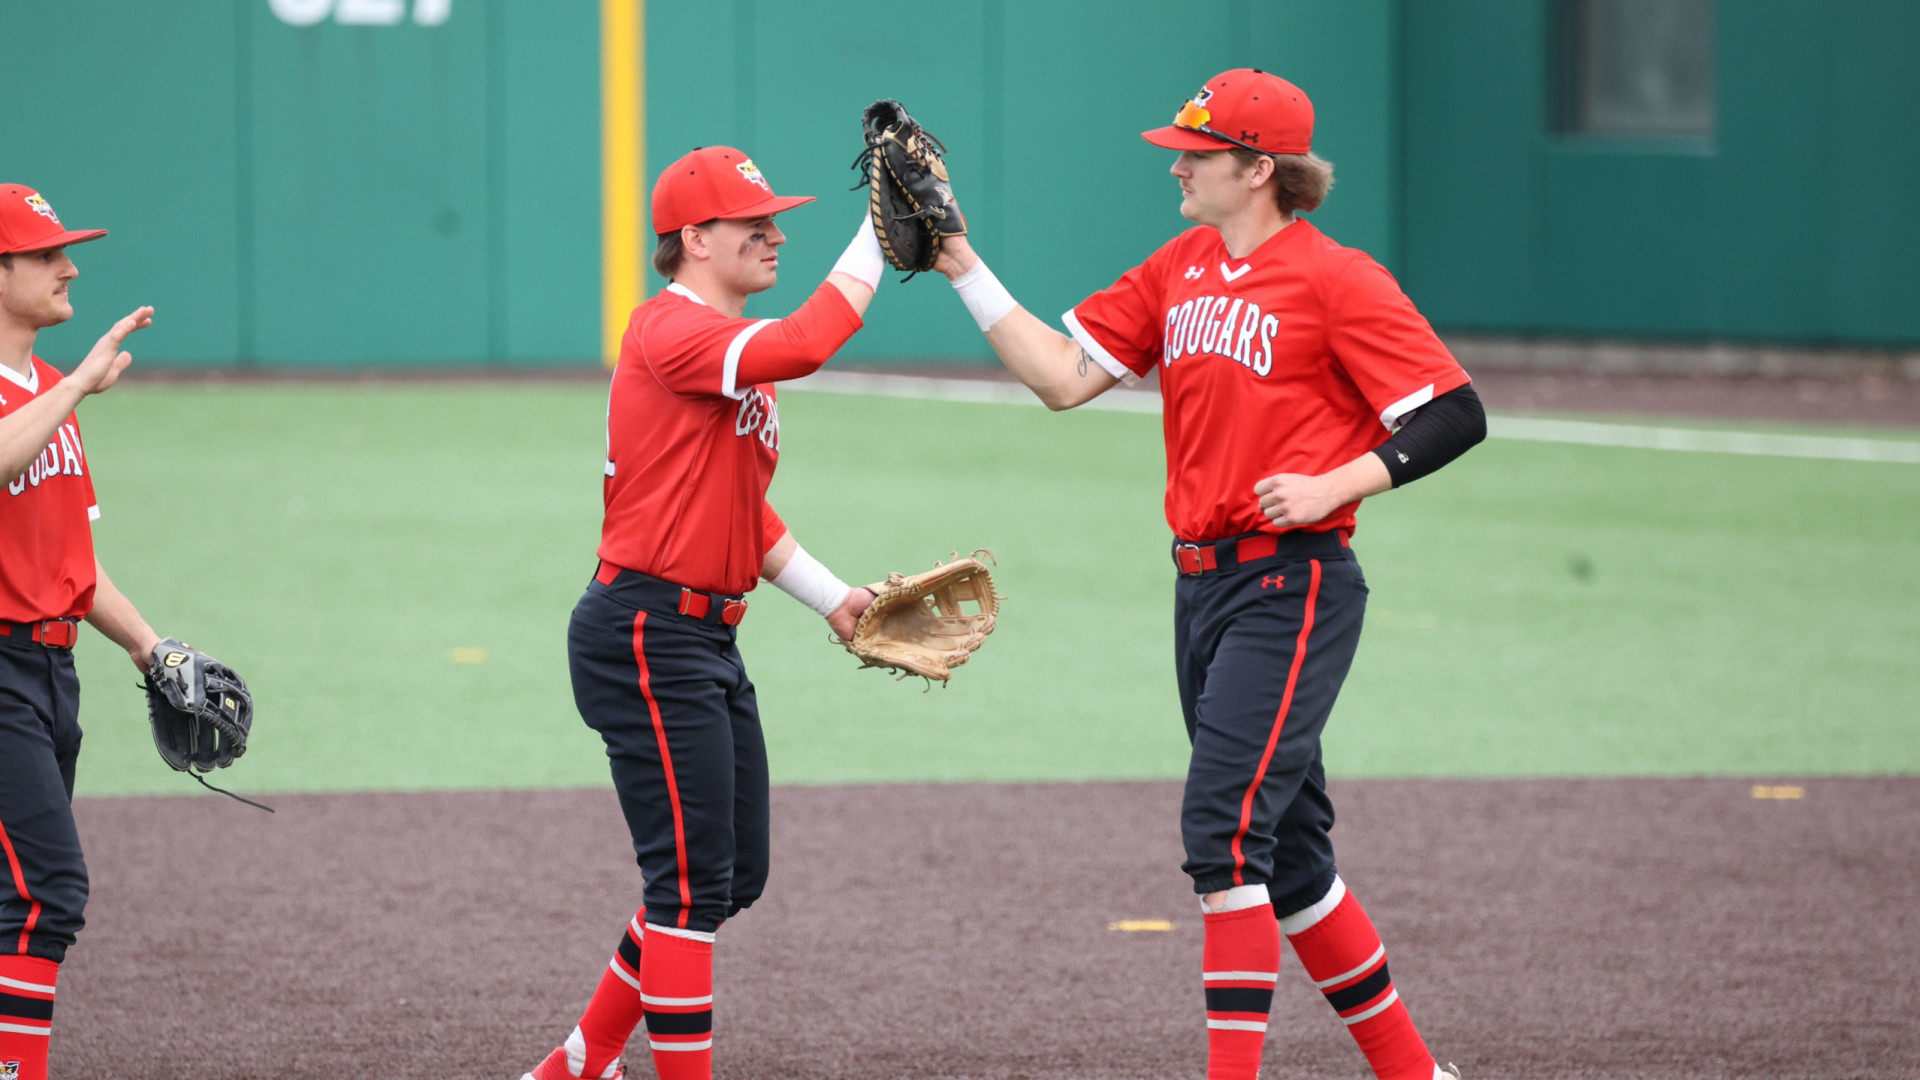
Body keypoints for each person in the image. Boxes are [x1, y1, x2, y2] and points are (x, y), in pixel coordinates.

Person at [929, 72, 1485, 1080]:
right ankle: (1417, 1074)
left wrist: (1336, 485)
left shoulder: (1337, 278)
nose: (1176, 166)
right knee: (1296, 862)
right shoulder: (1180, 266)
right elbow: (1063, 379)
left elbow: (1453, 411)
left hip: (1294, 585)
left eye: (1197, 152)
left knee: (1222, 834)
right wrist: (960, 260)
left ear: (1260, 168)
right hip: (1203, 592)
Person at [521, 146, 890, 1080]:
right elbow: (806, 343)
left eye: (775, 219)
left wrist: (832, 599)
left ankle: (582, 1061)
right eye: (752, 222)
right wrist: (878, 237)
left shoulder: (717, 354)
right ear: (693, 239)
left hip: (699, 636)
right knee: (687, 888)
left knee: (732, 877)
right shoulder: (669, 329)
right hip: (643, 630)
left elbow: (745, 513)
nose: (775, 234)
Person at [0, 184, 186, 1080]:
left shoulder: (44, 391)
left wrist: (152, 646)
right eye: (45, 254)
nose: (69, 266)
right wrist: (79, 384)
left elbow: (74, 560)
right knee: (45, 892)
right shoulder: (50, 395)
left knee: (16, 897)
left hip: (48, 675)